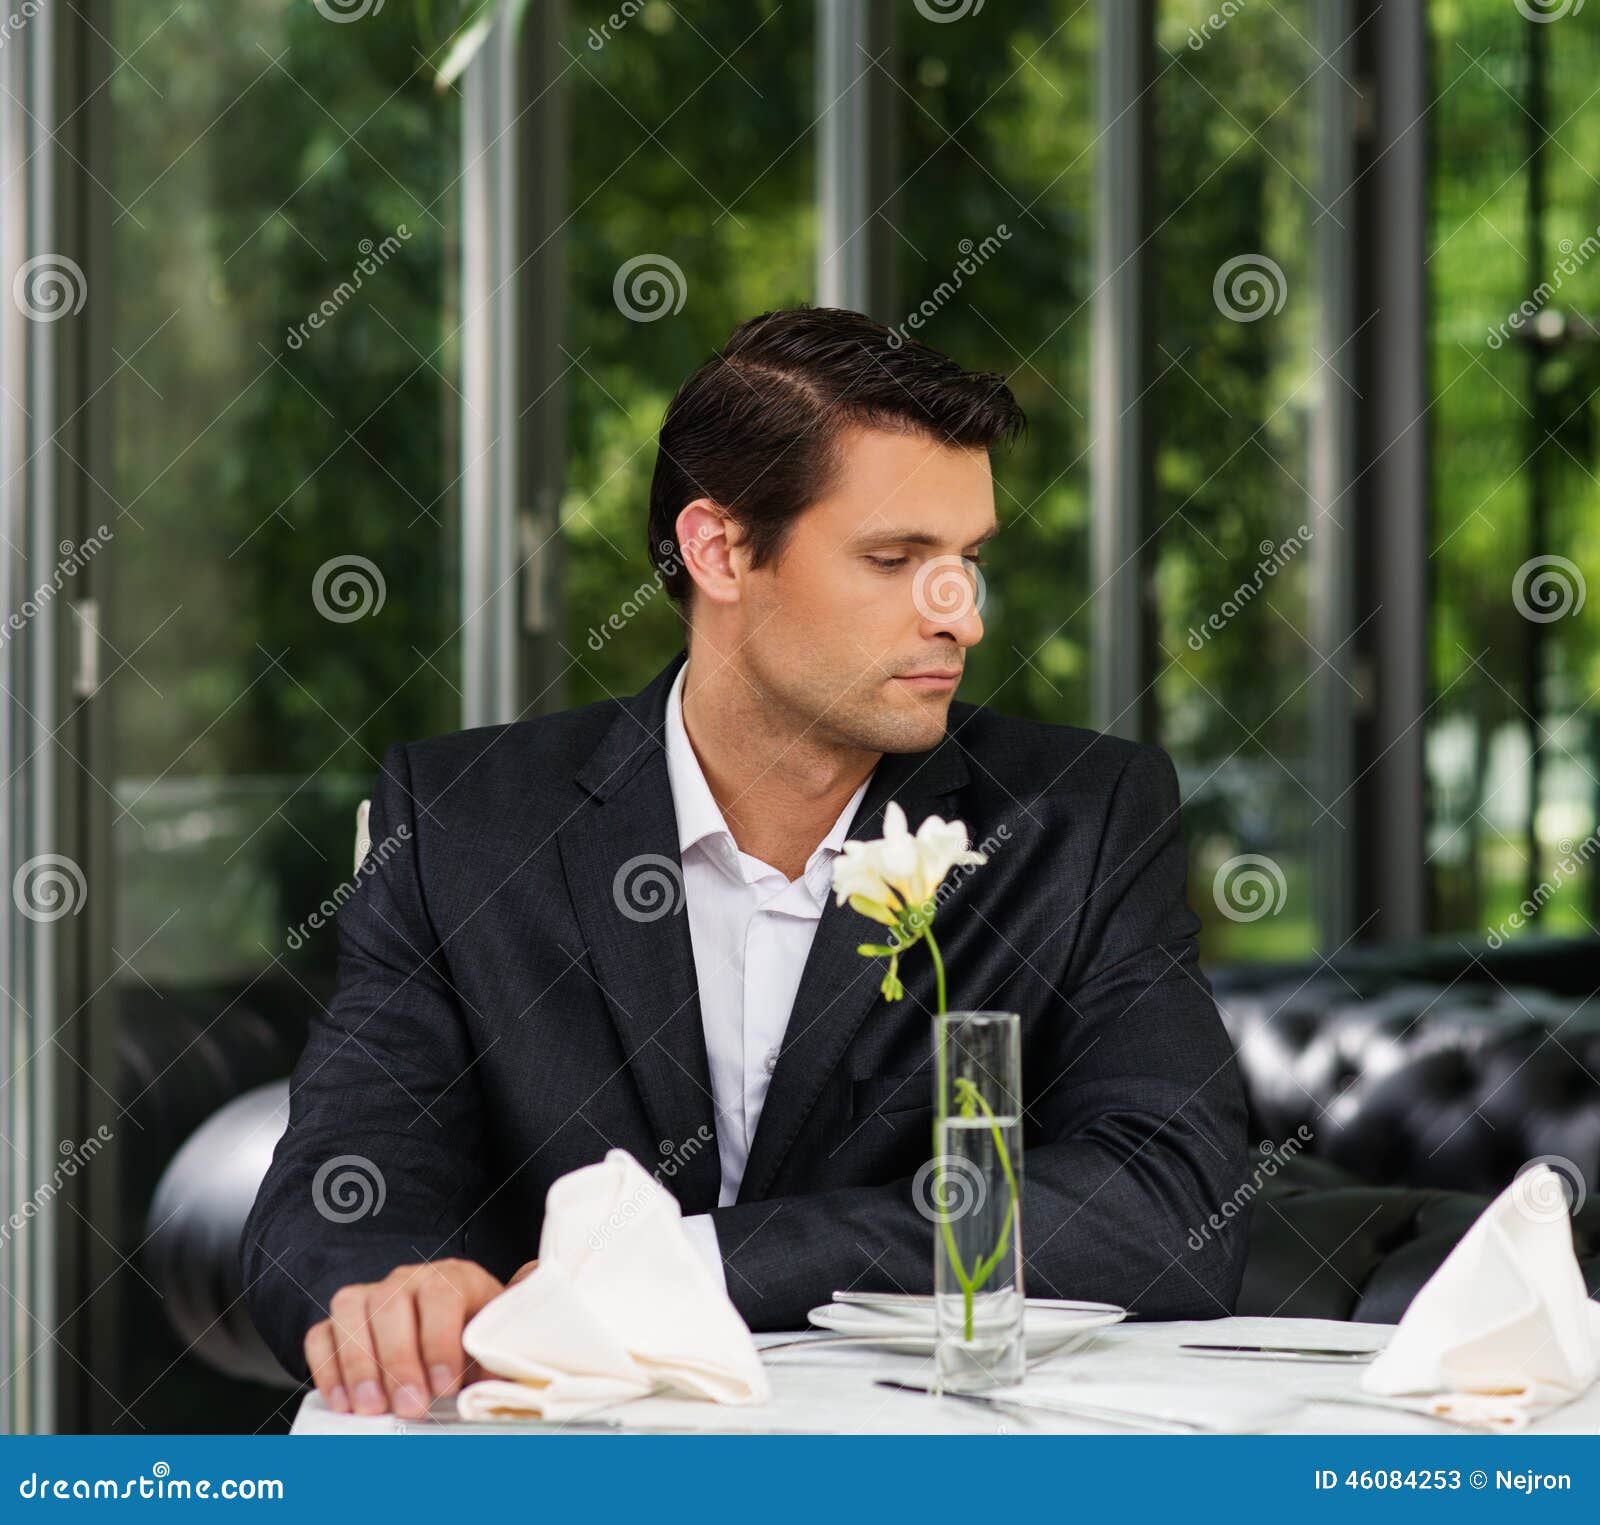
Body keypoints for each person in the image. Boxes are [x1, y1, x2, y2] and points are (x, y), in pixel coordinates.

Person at [241, 305, 1250, 1419]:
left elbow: (1171, 1201)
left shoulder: (1079, 816)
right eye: (893, 560)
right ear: (718, 550)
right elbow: (339, 1193)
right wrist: (392, 1293)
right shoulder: (464, 821)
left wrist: (689, 1266)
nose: (960, 617)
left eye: (966, 560)